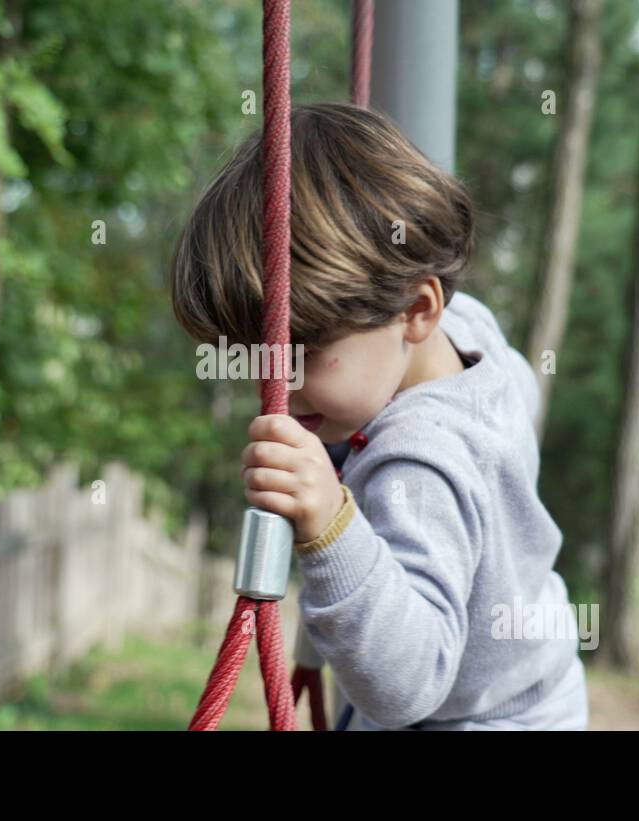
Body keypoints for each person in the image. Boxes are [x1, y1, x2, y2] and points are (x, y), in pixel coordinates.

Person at [170, 102, 587, 730]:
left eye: (302, 355)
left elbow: (407, 686)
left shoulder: (417, 465)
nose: (274, 389)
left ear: (417, 311)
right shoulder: (472, 336)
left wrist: (331, 527)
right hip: (541, 689)